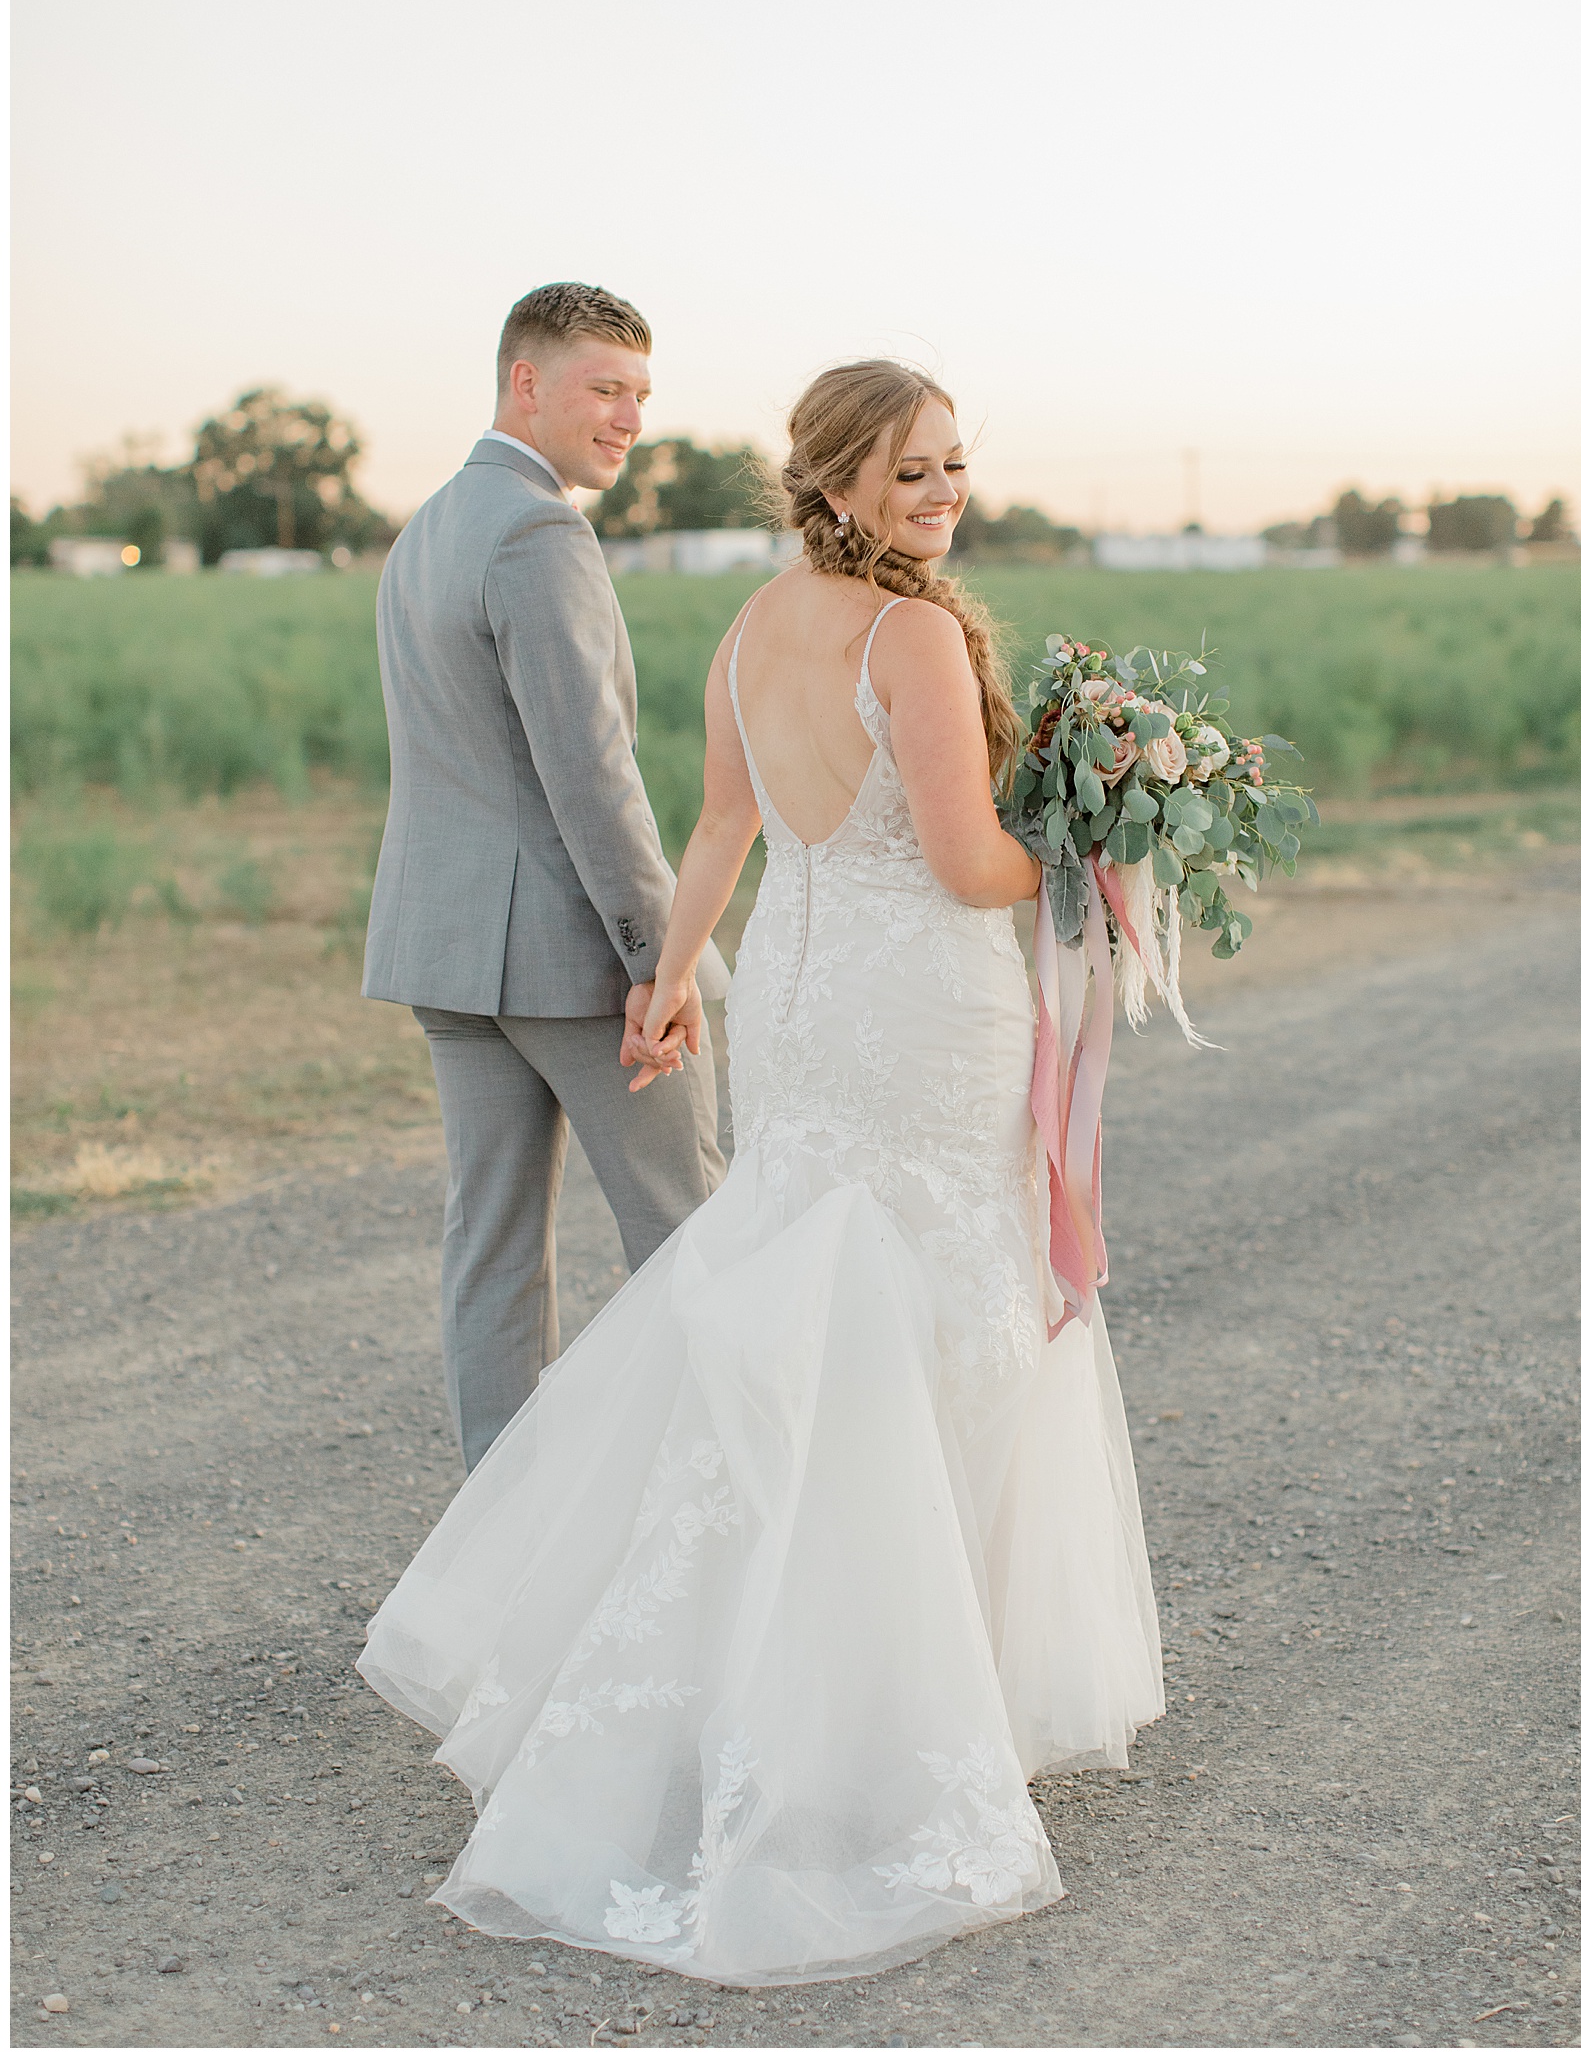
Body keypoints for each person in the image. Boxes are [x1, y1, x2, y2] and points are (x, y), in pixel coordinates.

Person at [358, 360, 1164, 1986]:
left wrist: (672, 979)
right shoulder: (913, 634)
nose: (943, 495)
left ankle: (769, 1667)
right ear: (841, 480)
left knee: (806, 1311)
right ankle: (890, 1704)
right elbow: (967, 865)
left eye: (955, 467)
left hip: (798, 1003)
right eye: (913, 472)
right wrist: (1107, 828)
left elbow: (719, 829)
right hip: (919, 1013)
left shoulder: (748, 631)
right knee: (952, 1321)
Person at [362, 282, 727, 1473]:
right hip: (569, 963)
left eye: (639, 395)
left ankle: (494, 1574)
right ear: (527, 380)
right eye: (603, 388)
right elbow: (590, 772)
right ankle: (718, 1525)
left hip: (448, 953)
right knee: (694, 1231)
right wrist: (658, 961)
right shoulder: (537, 533)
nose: (628, 418)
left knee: (493, 1252)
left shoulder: (428, 527)